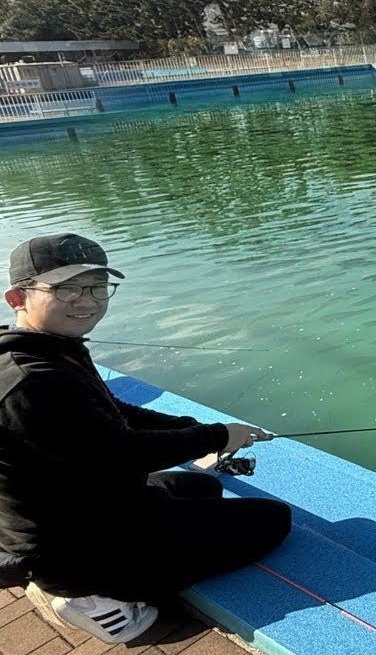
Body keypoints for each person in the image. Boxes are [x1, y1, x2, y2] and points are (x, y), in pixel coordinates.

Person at [0, 234, 292, 643]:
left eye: (97, 287)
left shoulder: (46, 347)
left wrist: (193, 428)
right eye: (65, 288)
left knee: (204, 486)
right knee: (273, 521)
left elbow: (113, 412)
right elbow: (124, 454)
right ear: (18, 298)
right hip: (73, 547)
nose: (86, 300)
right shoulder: (31, 382)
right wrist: (216, 434)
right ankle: (93, 599)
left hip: (82, 502)